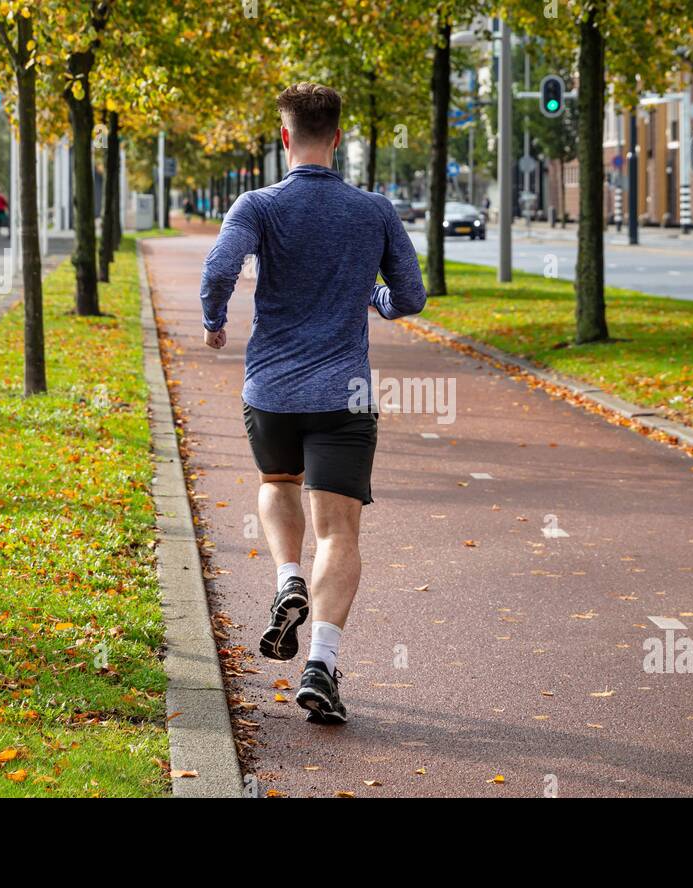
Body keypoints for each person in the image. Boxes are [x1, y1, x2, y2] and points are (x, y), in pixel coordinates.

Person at [199, 82, 426, 724]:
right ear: (338, 137)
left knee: (276, 481)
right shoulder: (374, 210)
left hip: (271, 389)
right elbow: (410, 295)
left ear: (284, 136)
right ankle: (321, 666)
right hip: (343, 395)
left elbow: (219, 268)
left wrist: (215, 321)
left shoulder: (258, 204)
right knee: (340, 531)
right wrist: (372, 299)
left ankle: (286, 580)